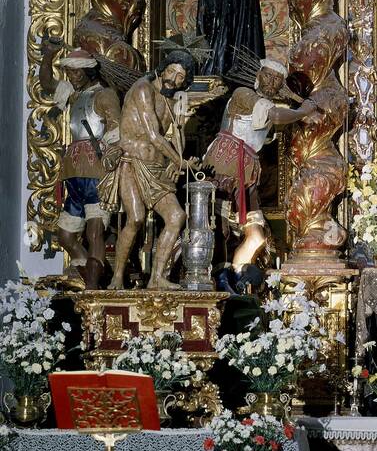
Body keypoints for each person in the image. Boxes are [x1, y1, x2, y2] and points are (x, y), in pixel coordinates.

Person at [202, 59, 311, 272]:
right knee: (219, 227)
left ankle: (236, 276)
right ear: (258, 76)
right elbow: (278, 116)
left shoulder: (266, 104)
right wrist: (304, 110)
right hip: (226, 162)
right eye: (268, 75)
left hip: (247, 169)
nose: (271, 81)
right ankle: (217, 277)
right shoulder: (244, 94)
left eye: (277, 79)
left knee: (256, 236)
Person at [101, 51, 196, 290]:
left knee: (176, 217)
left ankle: (157, 278)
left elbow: (175, 138)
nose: (174, 79)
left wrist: (181, 126)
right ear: (162, 68)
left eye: (181, 77)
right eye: (172, 71)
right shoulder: (143, 89)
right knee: (135, 218)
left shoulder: (170, 100)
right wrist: (181, 163)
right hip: (132, 163)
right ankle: (117, 278)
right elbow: (154, 136)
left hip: (156, 169)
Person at [39, 38, 121, 288]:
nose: (72, 77)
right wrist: (48, 56)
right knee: (66, 236)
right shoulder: (75, 97)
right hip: (74, 173)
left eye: (76, 72)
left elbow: (116, 128)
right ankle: (92, 282)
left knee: (94, 232)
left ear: (88, 70)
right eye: (69, 72)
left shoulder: (104, 95)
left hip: (97, 172)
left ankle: (93, 291)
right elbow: (47, 84)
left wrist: (112, 155)